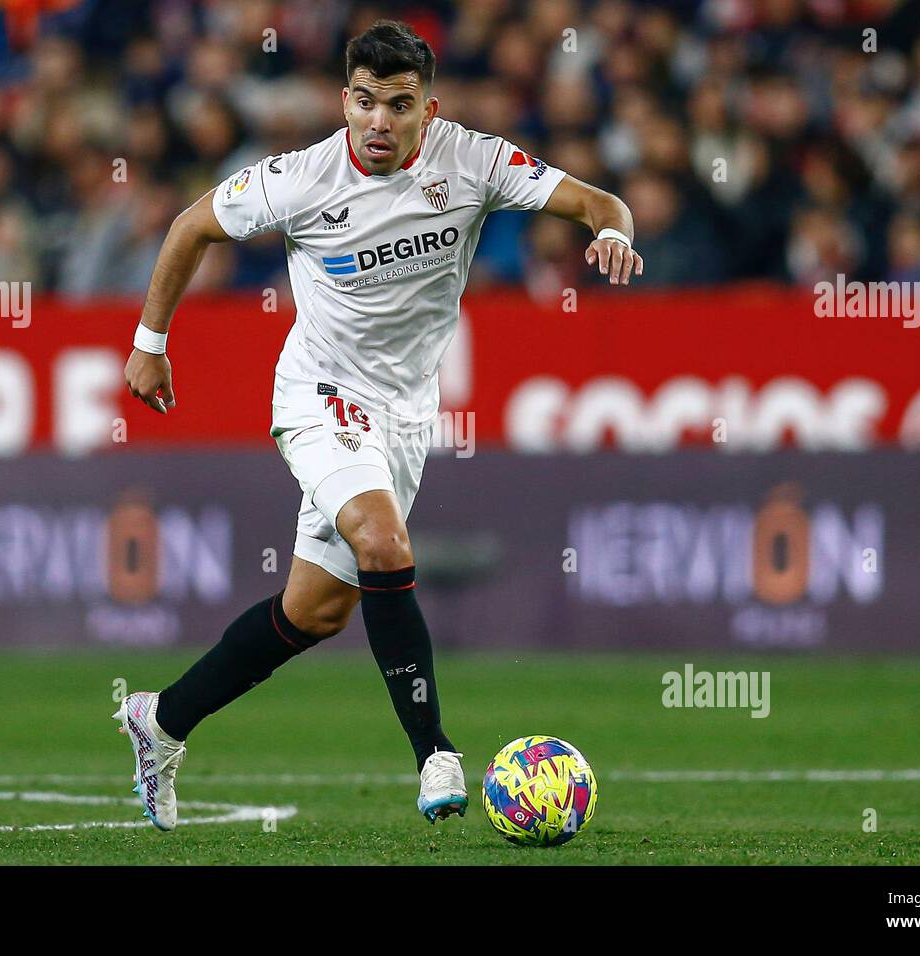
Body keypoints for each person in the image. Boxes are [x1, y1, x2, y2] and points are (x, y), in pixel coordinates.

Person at [113, 19, 640, 830]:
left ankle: (161, 721)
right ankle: (435, 753)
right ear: (345, 101)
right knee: (385, 545)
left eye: (399, 105)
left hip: (403, 416)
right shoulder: (302, 177)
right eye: (365, 103)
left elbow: (597, 200)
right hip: (319, 394)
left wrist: (611, 231)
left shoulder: (472, 160)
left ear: (428, 110)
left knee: (314, 612)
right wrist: (150, 345)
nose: (380, 123)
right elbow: (192, 226)